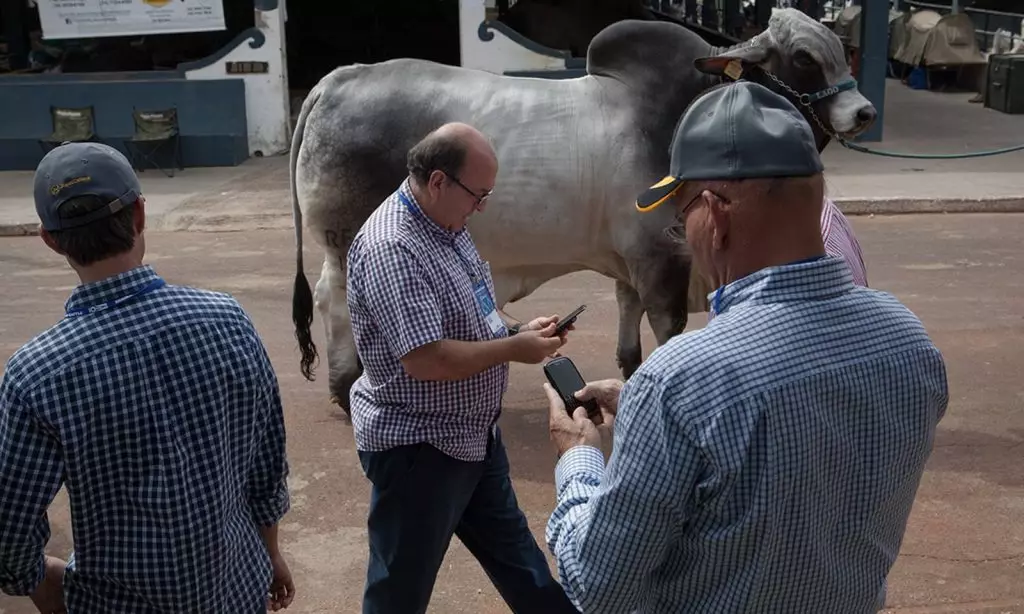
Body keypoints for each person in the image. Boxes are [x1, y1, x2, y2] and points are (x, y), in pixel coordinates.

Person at [541, 82, 949, 613]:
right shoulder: (906, 340)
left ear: (715, 213)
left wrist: (579, 459)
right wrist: (649, 416)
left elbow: (597, 586)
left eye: (679, 215)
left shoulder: (680, 380)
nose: (683, 234)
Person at [0, 142, 295, 613]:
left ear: (51, 240)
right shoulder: (227, 319)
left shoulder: (36, 373)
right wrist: (270, 552)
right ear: (139, 215)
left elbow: (9, 527)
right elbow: (266, 467)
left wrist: (38, 581)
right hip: (237, 591)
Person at [345, 122, 580, 614]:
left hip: (471, 437)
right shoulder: (394, 247)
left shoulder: (448, 227)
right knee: (398, 593)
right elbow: (426, 359)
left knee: (524, 568)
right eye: (478, 194)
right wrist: (515, 350)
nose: (482, 206)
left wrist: (519, 330)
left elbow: (478, 315)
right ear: (437, 181)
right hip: (420, 449)